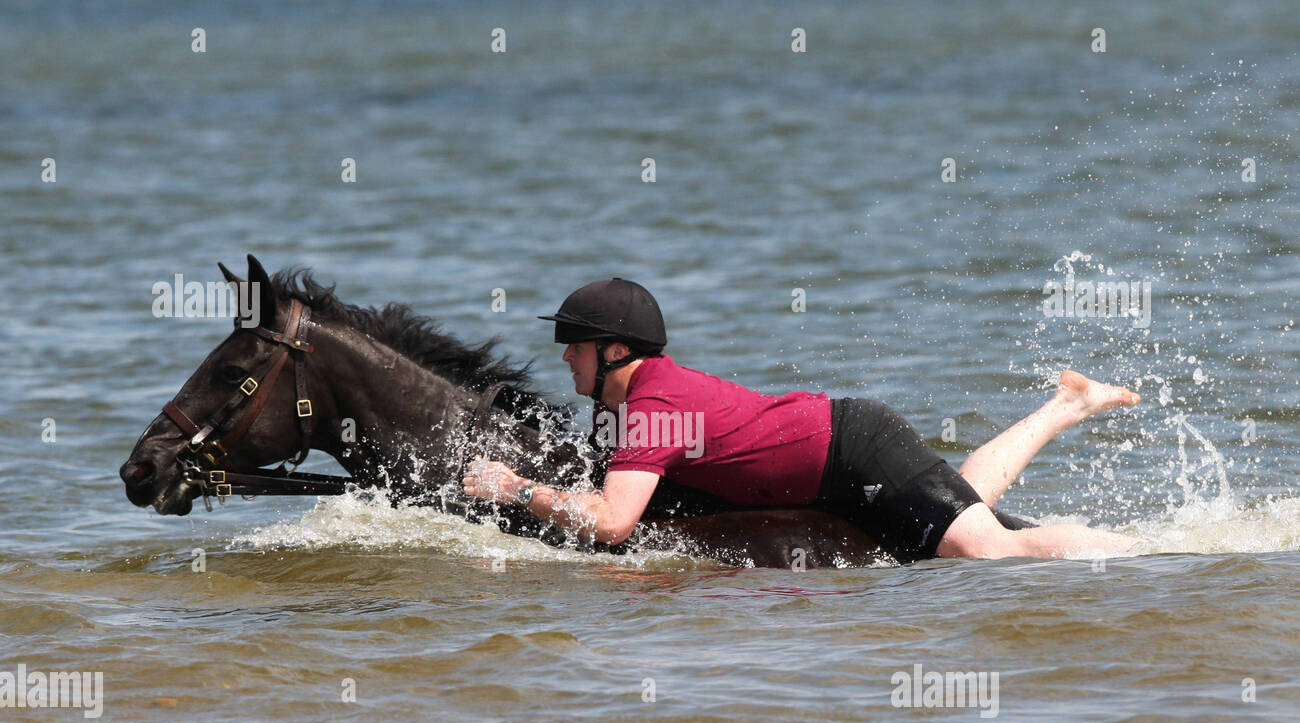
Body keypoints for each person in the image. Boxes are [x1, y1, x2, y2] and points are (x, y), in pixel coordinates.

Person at [462, 277, 1141, 562]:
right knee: (969, 501)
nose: (565, 361)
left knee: (989, 550)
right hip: (837, 462)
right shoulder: (637, 403)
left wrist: (516, 490)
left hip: (854, 449)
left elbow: (614, 522)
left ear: (614, 352)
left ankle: (1141, 558)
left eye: (573, 347)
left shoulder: (653, 409)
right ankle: (1067, 404)